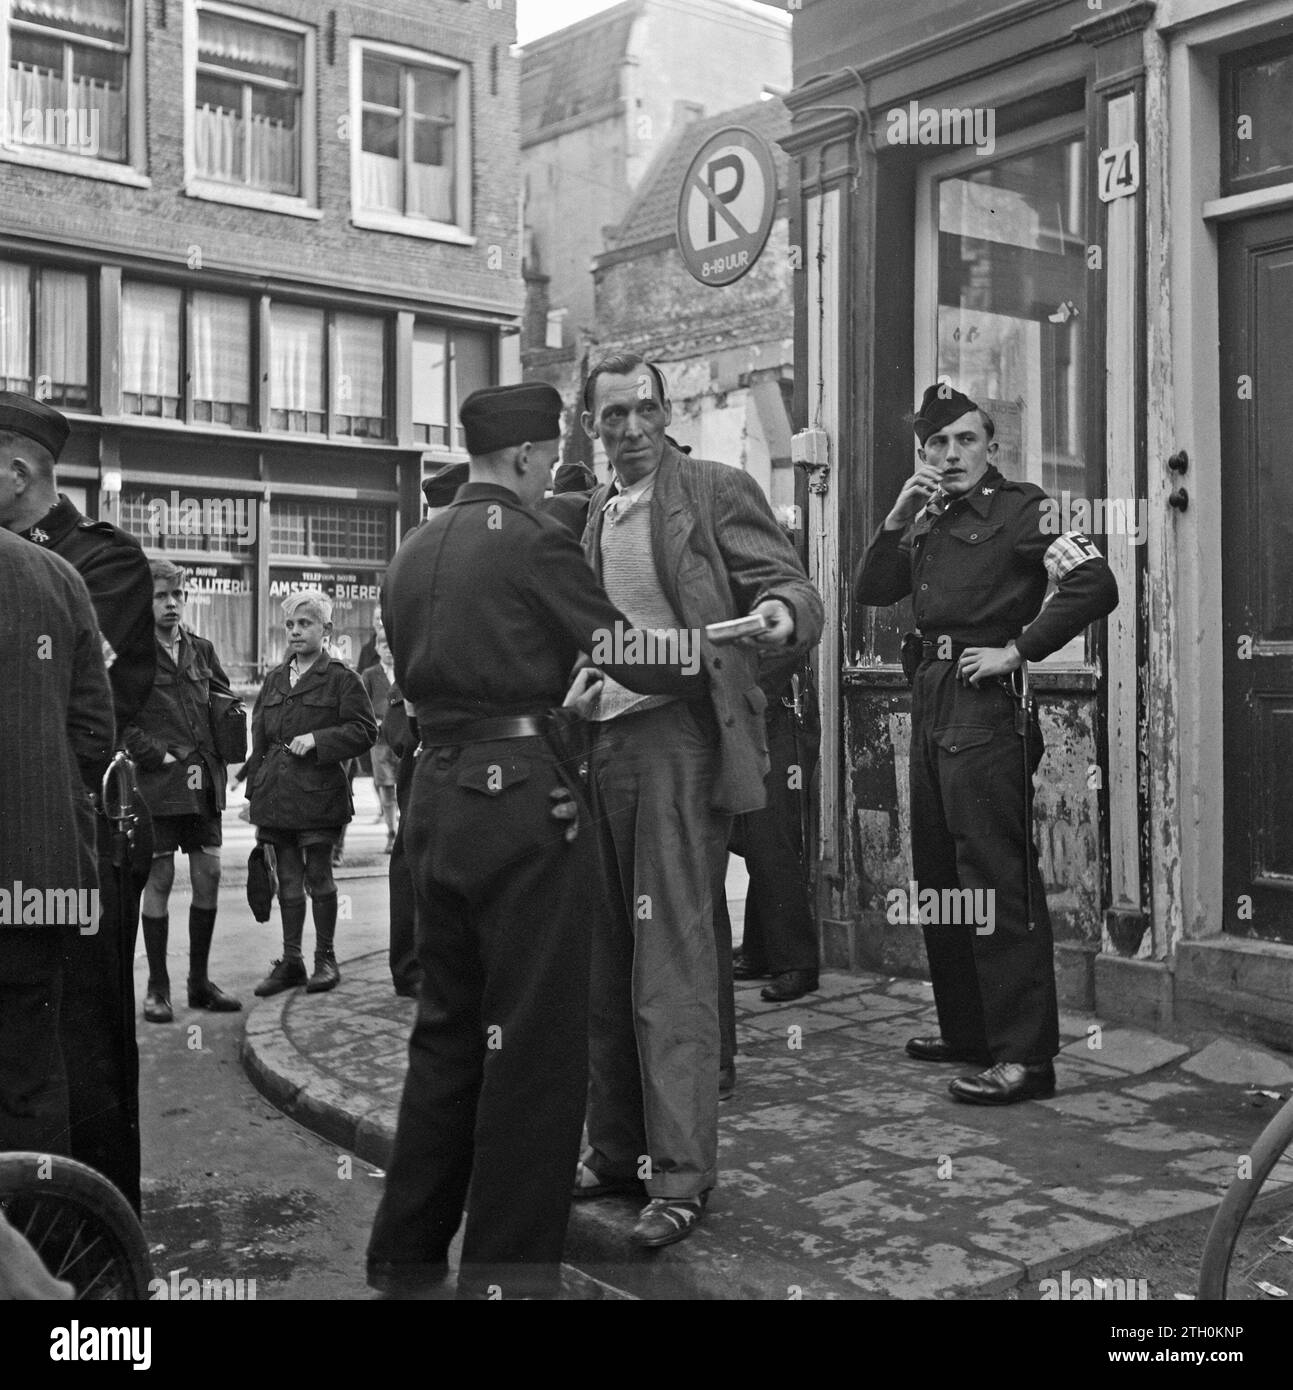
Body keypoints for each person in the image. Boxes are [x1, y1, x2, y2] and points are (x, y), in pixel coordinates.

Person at [366, 381, 703, 1300]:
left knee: (446, 1035)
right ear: (521, 457)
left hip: (435, 803)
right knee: (534, 1050)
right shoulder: (531, 539)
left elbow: (442, 684)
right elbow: (624, 651)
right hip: (517, 806)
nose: (551, 468)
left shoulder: (413, 549)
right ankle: (505, 1282)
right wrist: (718, 646)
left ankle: (403, 1256)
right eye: (547, 452)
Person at [574, 352, 823, 1247]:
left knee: (671, 964)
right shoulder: (598, 515)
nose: (630, 429)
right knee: (606, 959)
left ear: (663, 411)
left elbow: (791, 589)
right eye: (612, 418)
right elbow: (592, 630)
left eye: (642, 411)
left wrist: (782, 619)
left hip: (680, 744)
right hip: (604, 745)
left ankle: (679, 1179)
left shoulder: (712, 489)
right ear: (590, 428)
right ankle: (616, 1154)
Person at [854, 383, 1119, 1105]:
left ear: (990, 446)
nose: (949, 455)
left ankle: (1025, 1058)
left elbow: (1095, 582)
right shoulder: (928, 518)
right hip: (932, 697)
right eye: (935, 444)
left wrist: (1018, 650)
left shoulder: (1025, 510)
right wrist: (895, 518)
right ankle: (968, 1031)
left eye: (964, 440)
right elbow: (870, 589)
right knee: (941, 877)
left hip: (984, 705)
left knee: (995, 879)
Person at [0, 390, 155, 1213]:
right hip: (37, 840)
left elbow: (96, 708)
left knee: (84, 1043)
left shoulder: (100, 560)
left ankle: (100, 1225)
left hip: (82, 836)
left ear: (17, 469)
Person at [0, 526, 113, 1161]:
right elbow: (95, 730)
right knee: (31, 1070)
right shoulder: (57, 576)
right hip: (37, 875)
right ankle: (39, 1245)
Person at [124, 560, 242, 1023]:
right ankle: (157, 987)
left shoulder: (202, 650)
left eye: (178, 595)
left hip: (202, 785)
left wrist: (224, 752)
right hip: (157, 784)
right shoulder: (134, 655)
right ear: (146, 600)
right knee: (159, 879)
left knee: (208, 875)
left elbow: (224, 703)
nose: (172, 604)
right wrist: (159, 755)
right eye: (161, 596)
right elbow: (121, 721)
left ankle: (199, 982)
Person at [244, 590, 377, 997]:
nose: (296, 632)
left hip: (320, 796)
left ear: (327, 629)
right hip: (278, 797)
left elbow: (365, 731)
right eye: (290, 625)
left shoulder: (341, 678)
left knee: (319, 876)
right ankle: (291, 962)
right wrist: (255, 796)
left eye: (305, 624)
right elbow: (260, 742)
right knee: (287, 879)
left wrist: (319, 739)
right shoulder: (273, 679)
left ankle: (325, 959)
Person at [727, 652, 822, 1004]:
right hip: (752, 714)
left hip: (778, 715)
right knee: (757, 835)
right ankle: (760, 947)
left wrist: (740, 695)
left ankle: (798, 963)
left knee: (772, 836)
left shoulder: (779, 596)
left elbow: (790, 642)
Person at [362, 633, 400, 852]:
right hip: (380, 741)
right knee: (386, 786)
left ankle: (402, 830)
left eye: (391, 646)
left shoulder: (404, 673)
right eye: (384, 645)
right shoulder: (370, 675)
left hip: (403, 739)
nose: (388, 650)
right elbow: (362, 703)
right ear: (377, 648)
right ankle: (391, 832)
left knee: (403, 784)